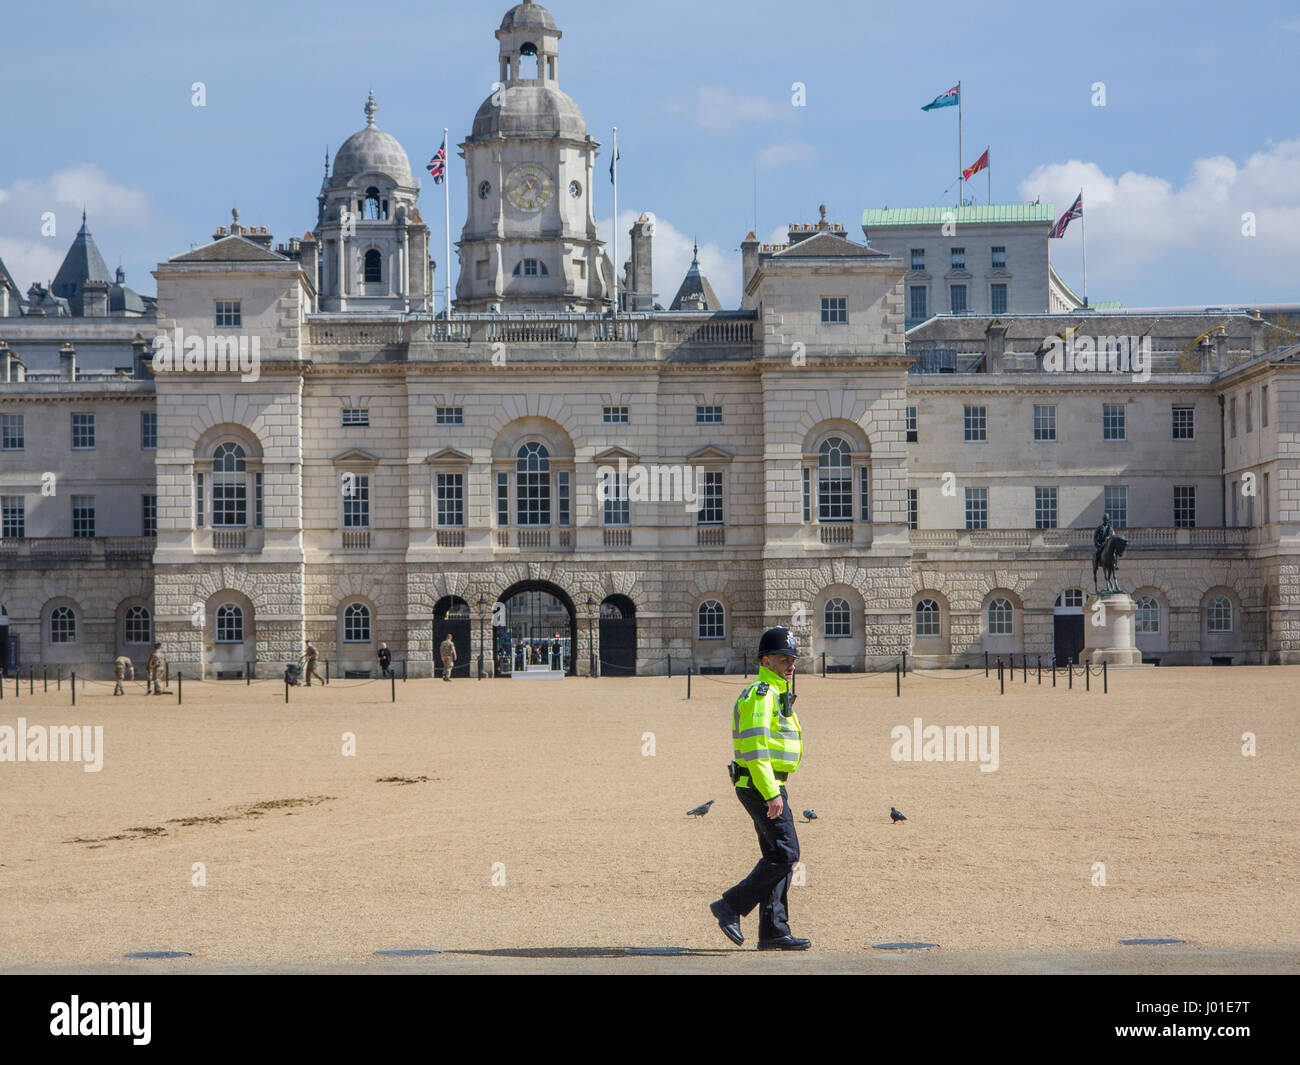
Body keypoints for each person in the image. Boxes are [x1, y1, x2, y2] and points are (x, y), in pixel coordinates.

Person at [709, 626, 810, 951]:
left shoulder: (776, 692)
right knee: (786, 852)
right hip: (760, 785)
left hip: (768, 783)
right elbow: (755, 749)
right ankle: (730, 905)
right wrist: (771, 793)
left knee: (776, 855)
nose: (790, 664)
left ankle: (773, 930)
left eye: (792, 658)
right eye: (783, 658)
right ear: (766, 660)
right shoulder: (762, 694)